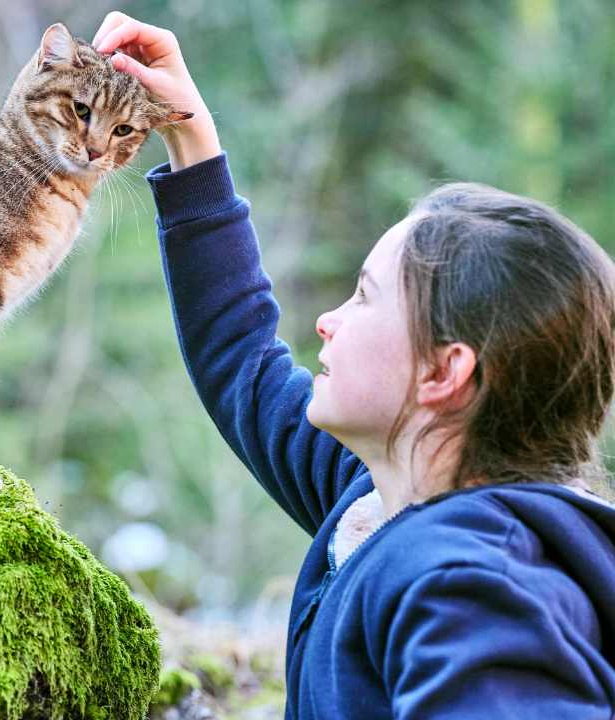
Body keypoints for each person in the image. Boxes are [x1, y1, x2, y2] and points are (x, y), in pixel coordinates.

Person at [91, 11, 615, 718]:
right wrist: (188, 135)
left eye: (365, 297)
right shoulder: (381, 497)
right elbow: (240, 358)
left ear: (443, 374)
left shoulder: (471, 582)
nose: (328, 321)